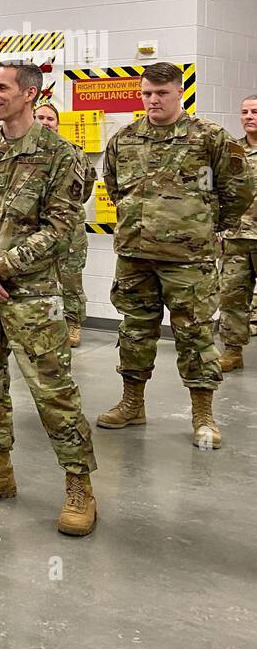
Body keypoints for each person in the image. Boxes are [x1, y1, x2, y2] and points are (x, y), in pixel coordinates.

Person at [0, 62, 97, 536]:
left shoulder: (61, 155)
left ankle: (79, 486)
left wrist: (2, 266)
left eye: (1, 88)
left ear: (30, 95)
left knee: (52, 389)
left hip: (31, 293)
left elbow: (61, 229)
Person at [99, 63, 253, 448]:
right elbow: (115, 186)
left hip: (190, 259)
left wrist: (206, 225)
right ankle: (132, 404)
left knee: (195, 335)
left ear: (178, 92)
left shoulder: (209, 137)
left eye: (161, 93)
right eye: (147, 92)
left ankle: (203, 415)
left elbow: (239, 189)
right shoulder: (125, 138)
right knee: (134, 331)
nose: (153, 100)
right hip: (135, 255)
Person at [35, 102, 97, 346]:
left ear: (57, 123)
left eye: (50, 118)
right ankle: (44, 324)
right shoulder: (23, 153)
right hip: (36, 229)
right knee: (40, 280)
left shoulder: (74, 152)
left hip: (69, 229)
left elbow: (87, 186)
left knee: (70, 280)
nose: (45, 122)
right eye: (39, 117)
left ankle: (73, 324)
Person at [219, 94, 257, 372]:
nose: (248, 117)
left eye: (254, 111)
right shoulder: (232, 150)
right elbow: (215, 187)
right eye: (244, 112)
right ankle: (232, 352)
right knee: (231, 297)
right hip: (236, 237)